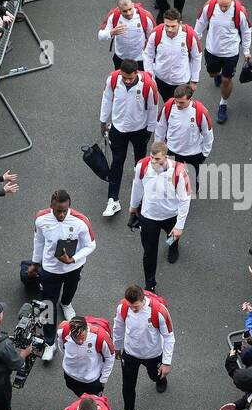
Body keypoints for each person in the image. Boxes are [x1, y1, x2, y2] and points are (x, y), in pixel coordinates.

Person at [32, 190, 97, 362]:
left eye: (64, 210)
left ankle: (66, 304)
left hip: (73, 268)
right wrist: (35, 263)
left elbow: (91, 245)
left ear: (69, 206)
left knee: (70, 290)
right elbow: (38, 241)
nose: (61, 214)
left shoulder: (81, 221)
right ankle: (49, 343)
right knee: (47, 305)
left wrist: (73, 258)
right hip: (50, 270)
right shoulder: (41, 218)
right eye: (57, 211)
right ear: (51, 206)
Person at [112, 284, 176, 410]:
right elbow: (118, 327)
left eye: (136, 306)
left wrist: (166, 363)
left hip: (153, 355)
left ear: (143, 299)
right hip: (130, 354)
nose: (133, 309)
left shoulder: (159, 311)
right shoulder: (123, 307)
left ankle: (160, 379)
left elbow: (169, 337)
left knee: (155, 376)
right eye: (130, 306)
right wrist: (117, 347)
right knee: (127, 387)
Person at [128, 141, 193, 293]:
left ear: (166, 157)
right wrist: (133, 205)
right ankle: (150, 283)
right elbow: (137, 186)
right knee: (149, 252)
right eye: (151, 158)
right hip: (148, 217)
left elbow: (185, 199)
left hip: (171, 215)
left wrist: (179, 226)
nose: (153, 162)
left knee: (172, 236)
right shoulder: (142, 166)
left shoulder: (179, 171)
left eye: (158, 159)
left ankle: (173, 246)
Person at [100, 61, 161, 219]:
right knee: (117, 162)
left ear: (136, 73)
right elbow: (107, 99)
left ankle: (141, 200)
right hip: (118, 128)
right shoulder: (113, 80)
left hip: (139, 130)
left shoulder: (148, 84)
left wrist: (150, 130)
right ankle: (113, 200)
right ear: (120, 72)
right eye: (124, 77)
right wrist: (103, 121)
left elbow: (153, 108)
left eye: (130, 78)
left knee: (140, 164)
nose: (127, 80)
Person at [193, 0, 252, 123]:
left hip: (230, 53)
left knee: (227, 80)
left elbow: (246, 31)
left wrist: (246, 50)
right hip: (212, 50)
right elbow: (200, 23)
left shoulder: (239, 12)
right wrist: (194, 41)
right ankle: (217, 74)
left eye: (226, 6)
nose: (223, 8)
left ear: (232, 0)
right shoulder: (209, 7)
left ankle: (223, 104)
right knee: (213, 74)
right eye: (221, 5)